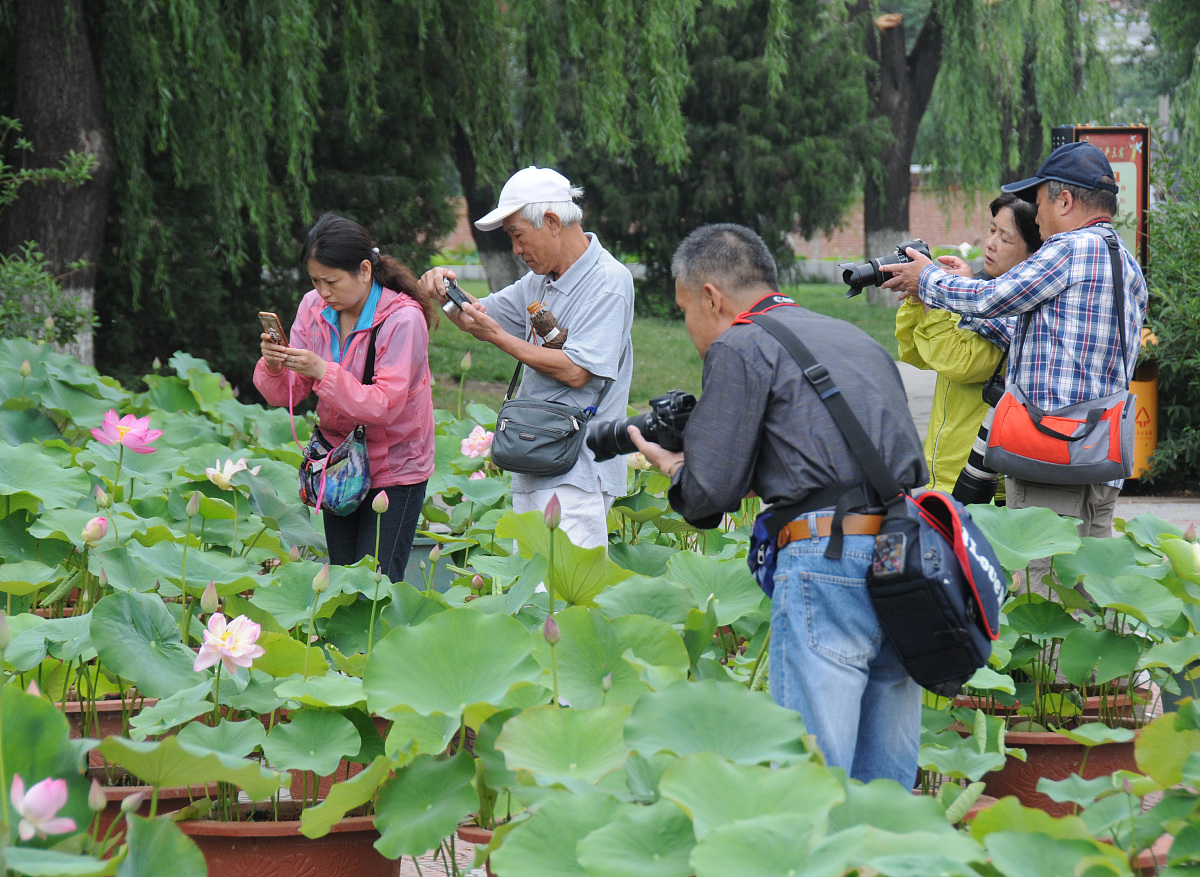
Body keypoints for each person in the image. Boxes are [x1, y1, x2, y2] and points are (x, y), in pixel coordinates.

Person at [629, 223, 927, 786]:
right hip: (905, 559)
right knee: (884, 783)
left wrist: (672, 466)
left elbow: (706, 496)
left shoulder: (742, 343)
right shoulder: (850, 339)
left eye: (685, 309)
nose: (691, 326)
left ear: (711, 297)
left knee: (813, 774)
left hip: (826, 560)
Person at [882, 141, 1148, 595]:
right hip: (1102, 457)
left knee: (1043, 589)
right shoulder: (1124, 263)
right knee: (1089, 589)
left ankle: (1050, 672)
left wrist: (926, 278)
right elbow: (1038, 334)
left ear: (1065, 200)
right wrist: (960, 284)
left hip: (1053, 455)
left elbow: (991, 299)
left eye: (1040, 200)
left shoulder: (1068, 250)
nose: (1036, 214)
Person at [417, 167, 634, 549]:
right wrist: (443, 291)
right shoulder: (541, 281)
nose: (516, 250)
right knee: (530, 595)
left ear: (552, 222)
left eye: (518, 236)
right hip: (532, 459)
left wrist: (498, 338)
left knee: (559, 600)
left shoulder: (609, 281)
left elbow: (578, 371)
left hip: (577, 470)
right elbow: (479, 316)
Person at [254, 212, 438, 583]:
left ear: (365, 271)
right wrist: (275, 366)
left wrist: (323, 370)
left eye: (332, 281)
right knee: (340, 579)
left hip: (396, 468)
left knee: (376, 586)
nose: (323, 292)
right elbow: (286, 394)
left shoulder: (403, 319)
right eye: (315, 280)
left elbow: (384, 405)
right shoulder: (313, 308)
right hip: (338, 463)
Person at [894, 193, 1041, 499]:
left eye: (1006, 238)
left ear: (1032, 255)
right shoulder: (975, 291)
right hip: (943, 476)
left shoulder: (1017, 313)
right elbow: (916, 353)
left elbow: (958, 362)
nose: (991, 243)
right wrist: (919, 296)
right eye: (991, 230)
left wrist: (934, 299)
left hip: (985, 483)